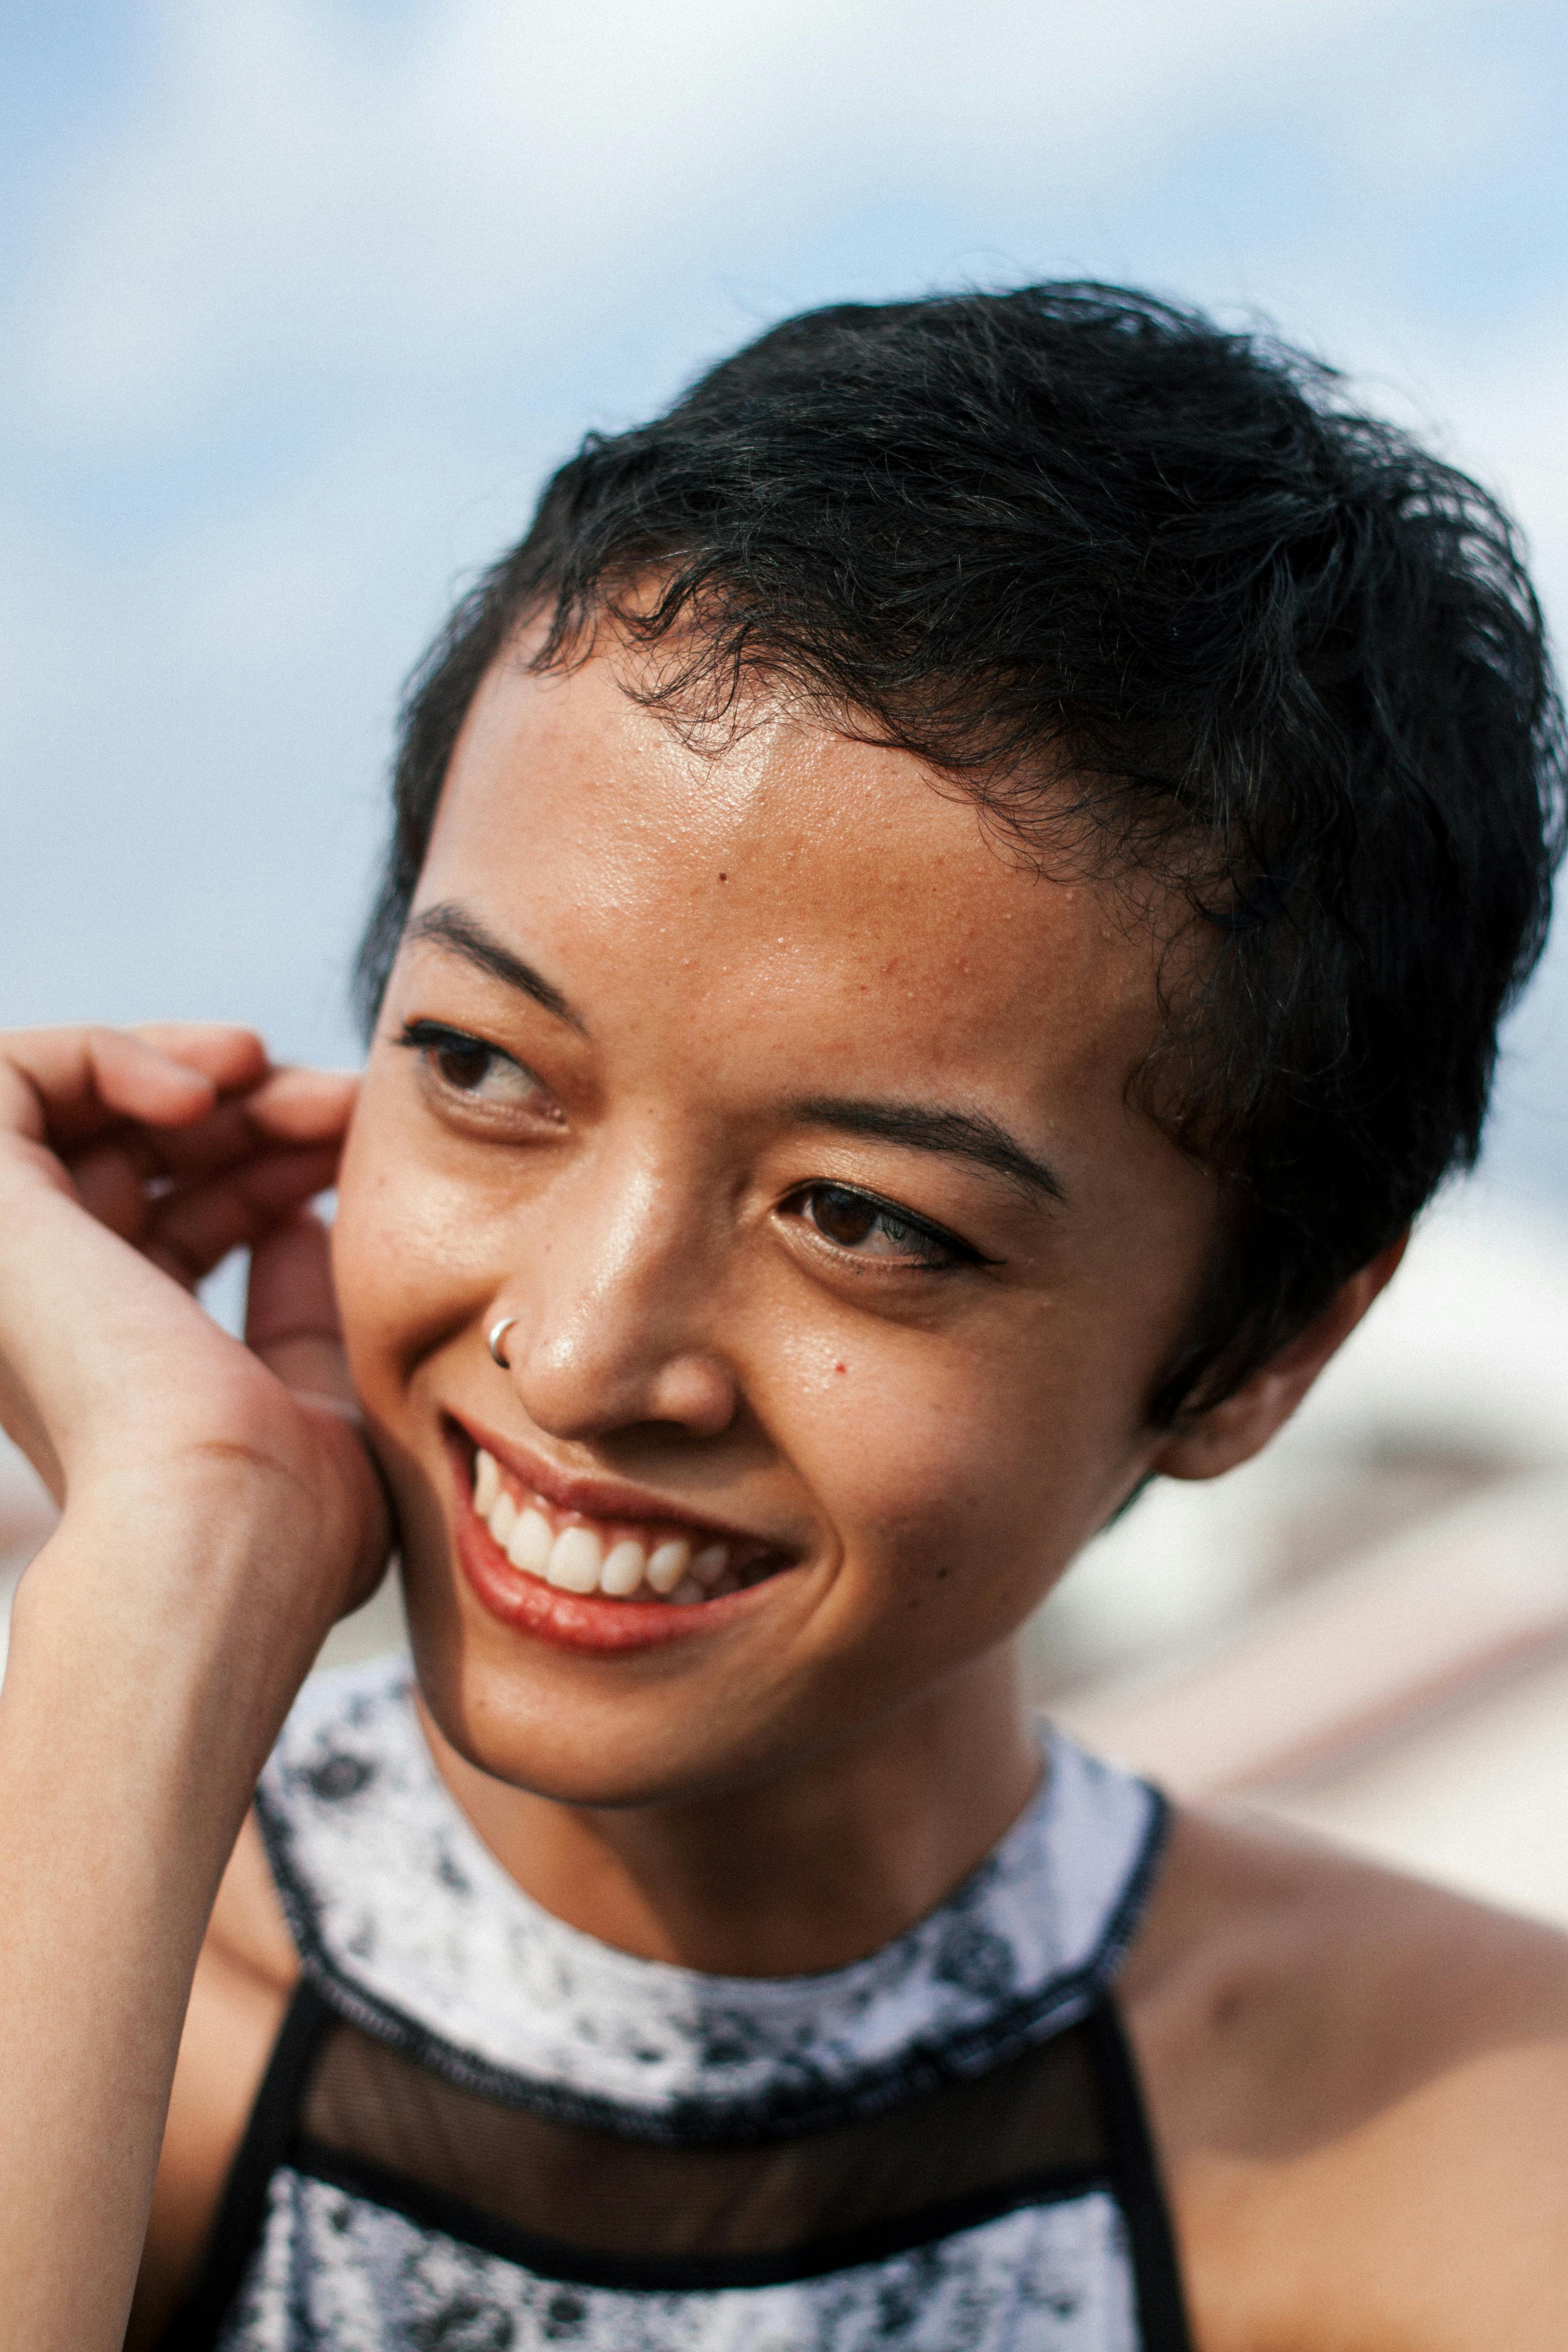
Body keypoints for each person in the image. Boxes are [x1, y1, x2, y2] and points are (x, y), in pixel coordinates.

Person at [1, 285, 1565, 2352]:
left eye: (858, 1216)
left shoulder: (1466, 2139)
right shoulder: (95, 1999)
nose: (577, 1352)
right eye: (481, 1068)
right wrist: (167, 1566)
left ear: (1260, 1349)